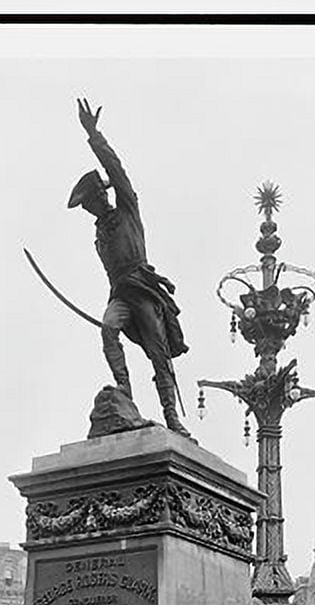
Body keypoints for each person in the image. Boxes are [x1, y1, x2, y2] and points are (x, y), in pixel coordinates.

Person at [68, 98, 192, 439]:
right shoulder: (99, 233)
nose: (89, 209)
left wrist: (95, 136)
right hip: (120, 293)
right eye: (86, 207)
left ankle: (172, 418)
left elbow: (117, 170)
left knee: (158, 354)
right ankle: (124, 390)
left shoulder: (126, 210)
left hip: (142, 288)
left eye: (90, 201)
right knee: (109, 329)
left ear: (100, 195)